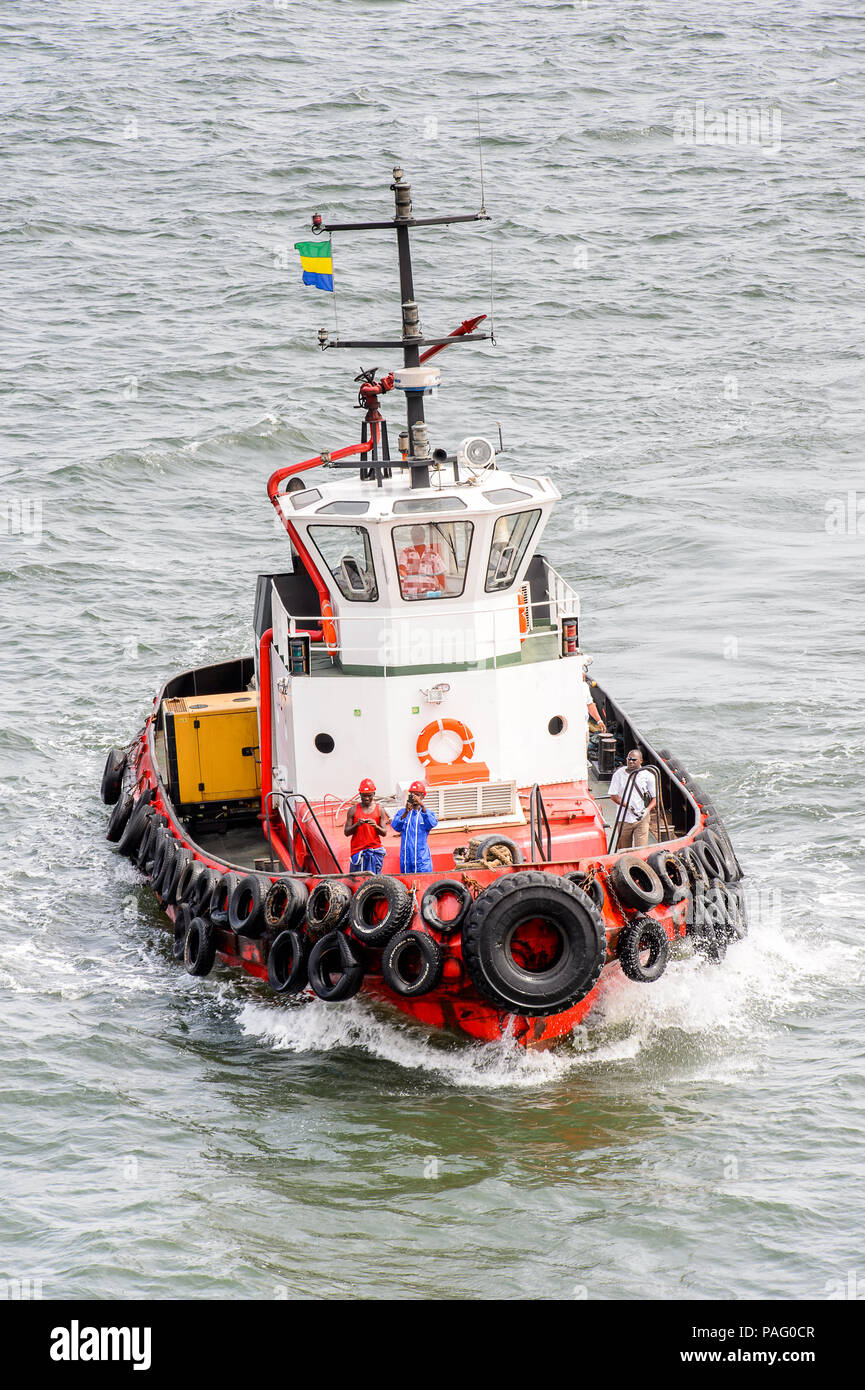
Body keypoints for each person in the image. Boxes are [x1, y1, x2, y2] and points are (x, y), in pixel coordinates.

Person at [609, 749, 656, 848]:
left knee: (641, 849)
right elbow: (613, 796)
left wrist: (647, 810)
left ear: (641, 761)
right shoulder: (618, 774)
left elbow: (655, 798)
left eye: (634, 760)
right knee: (624, 848)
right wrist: (628, 806)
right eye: (629, 759)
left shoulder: (648, 776)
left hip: (641, 819)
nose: (631, 761)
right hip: (624, 818)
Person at [343, 778, 390, 873]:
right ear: (360, 794)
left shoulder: (380, 810)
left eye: (369, 795)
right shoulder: (352, 810)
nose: (367, 798)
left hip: (375, 851)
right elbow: (346, 832)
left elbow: (384, 832)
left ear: (374, 794)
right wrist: (357, 825)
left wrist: (375, 826)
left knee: (374, 880)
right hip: (358, 852)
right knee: (357, 879)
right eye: (364, 796)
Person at [390, 780, 438, 873]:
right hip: (406, 860)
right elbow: (396, 826)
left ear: (423, 796)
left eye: (417, 795)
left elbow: (432, 823)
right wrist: (406, 812)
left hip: (422, 860)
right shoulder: (403, 812)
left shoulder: (427, 813)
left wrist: (422, 806)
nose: (415, 798)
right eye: (412, 795)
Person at [397, 525, 447, 599]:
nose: (417, 537)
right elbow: (401, 568)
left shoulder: (433, 554)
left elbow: (440, 575)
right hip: (410, 595)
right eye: (415, 535)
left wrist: (445, 591)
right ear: (412, 537)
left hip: (429, 593)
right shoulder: (405, 552)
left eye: (419, 534)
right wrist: (402, 572)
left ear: (423, 536)